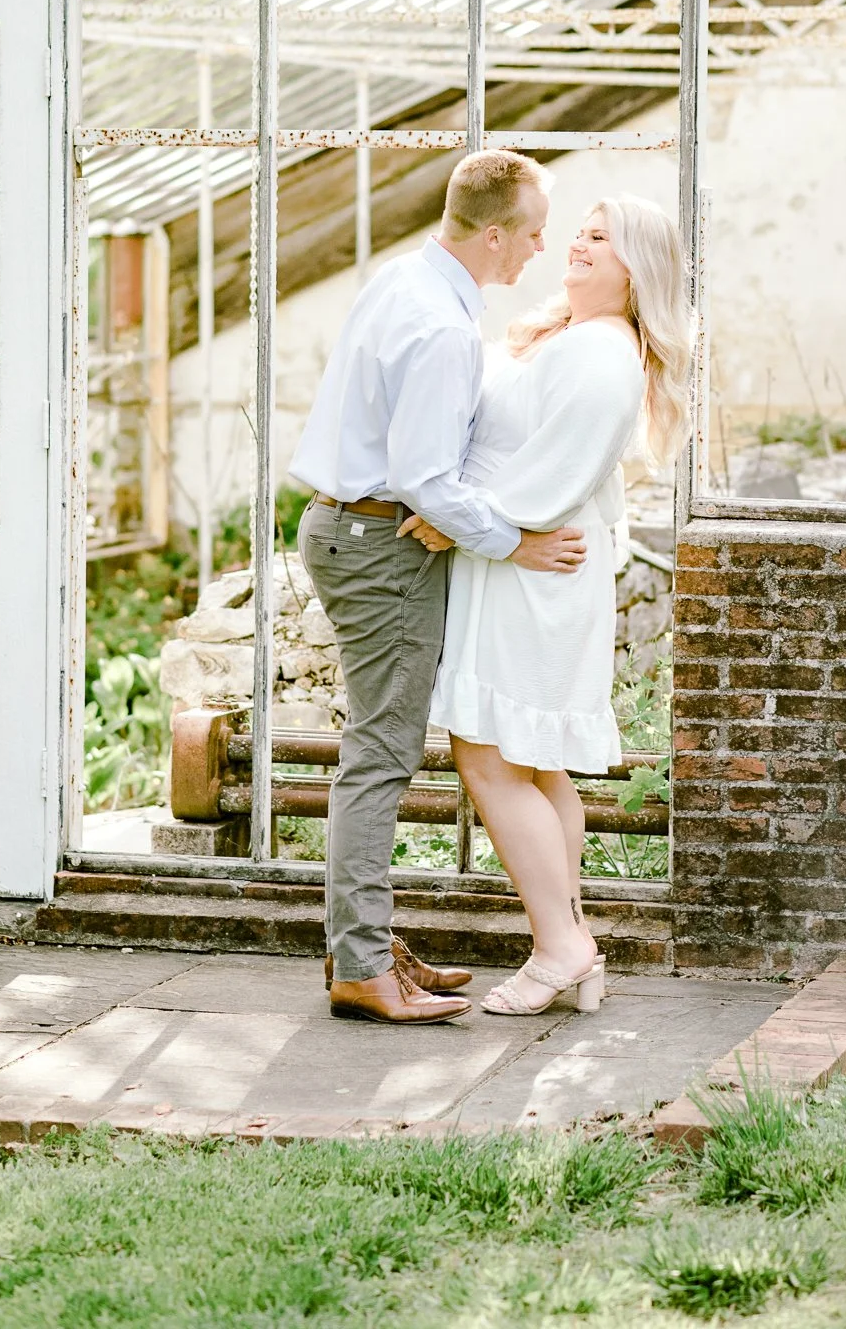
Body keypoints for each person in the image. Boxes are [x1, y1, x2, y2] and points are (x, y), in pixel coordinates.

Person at [290, 150, 587, 1024]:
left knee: (379, 750)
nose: (538, 251)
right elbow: (426, 475)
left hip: (364, 527)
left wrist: (446, 505)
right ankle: (362, 968)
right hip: (378, 544)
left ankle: (367, 945)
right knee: (380, 756)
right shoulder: (443, 327)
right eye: (532, 235)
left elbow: (419, 468)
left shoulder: (403, 280)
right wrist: (514, 544)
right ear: (493, 235)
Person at [408, 195, 691, 1015]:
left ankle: (560, 948)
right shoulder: (579, 340)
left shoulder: (599, 354)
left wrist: (458, 523)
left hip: (534, 571)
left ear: (638, 270)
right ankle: (569, 943)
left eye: (600, 239)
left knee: (489, 758)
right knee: (532, 762)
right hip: (534, 562)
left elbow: (552, 473)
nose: (577, 244)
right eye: (579, 232)